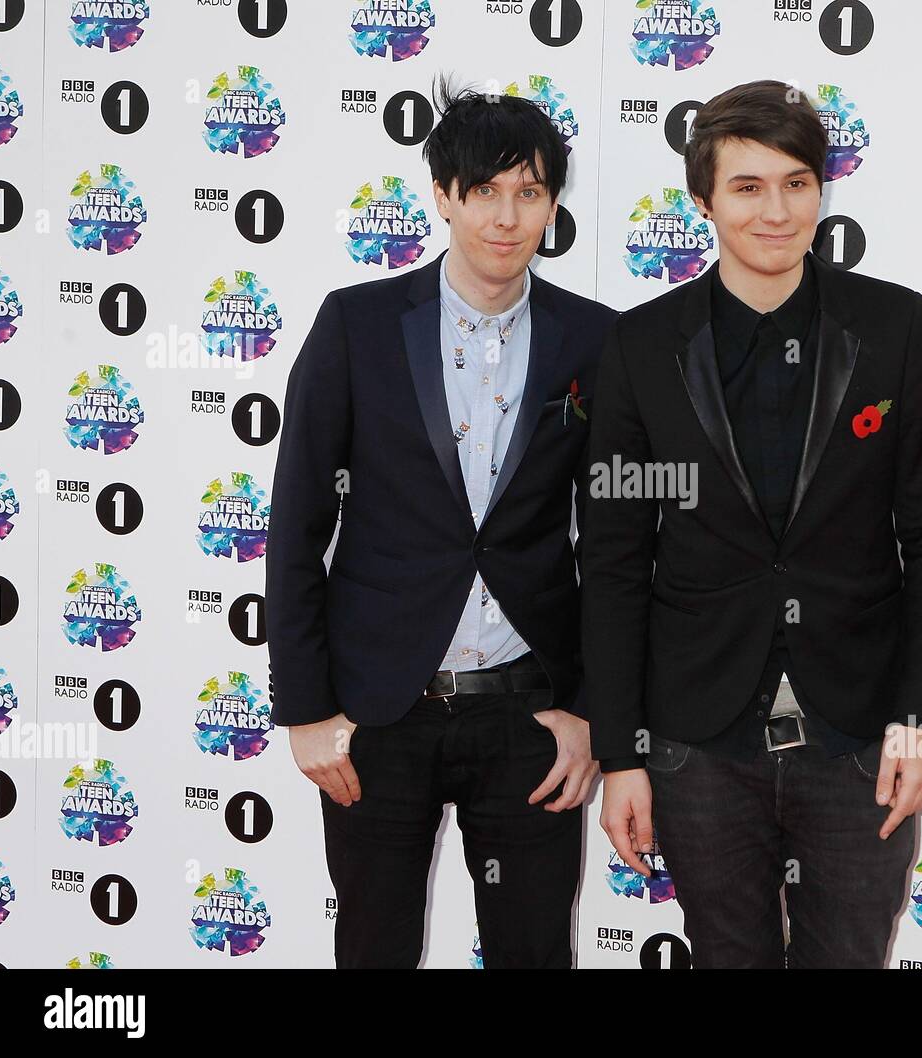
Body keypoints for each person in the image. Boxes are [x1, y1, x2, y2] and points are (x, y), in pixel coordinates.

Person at [582, 79, 922, 968]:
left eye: (797, 183)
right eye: (749, 187)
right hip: (696, 741)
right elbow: (612, 560)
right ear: (704, 202)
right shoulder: (643, 347)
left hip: (860, 737)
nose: (777, 210)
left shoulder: (891, 325)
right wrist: (621, 756)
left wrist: (919, 724)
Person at [265, 77, 614, 968]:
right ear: (444, 196)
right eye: (486, 191)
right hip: (380, 718)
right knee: (374, 951)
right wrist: (306, 711)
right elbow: (297, 524)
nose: (507, 216)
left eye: (529, 193)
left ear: (551, 205)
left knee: (535, 953)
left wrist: (586, 710)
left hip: (528, 716)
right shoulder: (357, 325)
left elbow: (616, 548)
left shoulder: (594, 341)